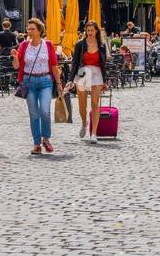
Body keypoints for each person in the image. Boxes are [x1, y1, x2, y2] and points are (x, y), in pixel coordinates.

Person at [15, 18, 61, 155]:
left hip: (45, 81)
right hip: (29, 82)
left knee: (45, 111)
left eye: (32, 29)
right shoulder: (23, 45)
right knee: (34, 114)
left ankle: (46, 138)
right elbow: (16, 66)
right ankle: (36, 144)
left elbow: (54, 65)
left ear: (39, 30)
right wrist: (14, 57)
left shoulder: (48, 45)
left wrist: (59, 83)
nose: (29, 31)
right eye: (28, 29)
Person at [69, 20, 110, 143]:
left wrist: (105, 81)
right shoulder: (80, 44)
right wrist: (70, 80)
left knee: (95, 103)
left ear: (96, 31)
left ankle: (94, 133)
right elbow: (75, 63)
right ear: (85, 31)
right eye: (88, 30)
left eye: (92, 30)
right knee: (82, 104)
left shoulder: (102, 45)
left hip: (97, 73)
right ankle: (84, 122)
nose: (90, 32)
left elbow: (104, 64)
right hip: (83, 72)